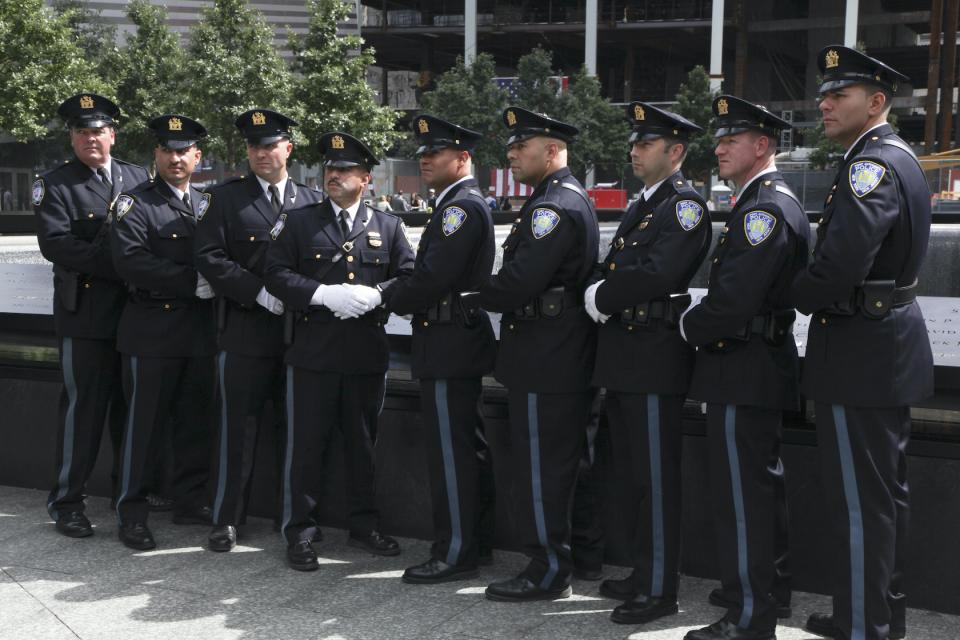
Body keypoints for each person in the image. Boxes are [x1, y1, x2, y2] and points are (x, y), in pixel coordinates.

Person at [789, 46, 932, 640]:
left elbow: (842, 263)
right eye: (825, 94)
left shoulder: (868, 165)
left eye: (838, 95)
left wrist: (794, 290)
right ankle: (871, 616)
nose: (824, 104)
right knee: (878, 499)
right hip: (880, 348)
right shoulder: (896, 158)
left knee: (859, 502)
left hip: (861, 350)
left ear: (875, 103)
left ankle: (864, 625)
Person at [679, 95, 811, 640]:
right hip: (755, 365)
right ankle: (766, 594)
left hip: (743, 365)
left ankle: (748, 617)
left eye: (731, 139)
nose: (720, 148)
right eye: (718, 139)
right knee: (757, 491)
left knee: (742, 498)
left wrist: (688, 324)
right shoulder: (767, 201)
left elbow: (732, 303)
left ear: (762, 145)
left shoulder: (763, 209)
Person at [584, 102, 712, 624]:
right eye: (634, 142)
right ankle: (643, 572)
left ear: (675, 151)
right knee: (636, 475)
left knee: (657, 481)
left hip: (655, 354)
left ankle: (660, 590)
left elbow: (658, 272)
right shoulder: (646, 204)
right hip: (627, 354)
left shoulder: (685, 206)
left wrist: (602, 295)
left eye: (646, 143)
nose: (634, 150)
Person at [263, 132, 415, 571]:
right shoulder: (299, 221)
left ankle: (364, 525)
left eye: (345, 170)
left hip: (366, 354)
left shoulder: (387, 226)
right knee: (305, 446)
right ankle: (301, 532)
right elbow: (275, 274)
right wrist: (321, 293)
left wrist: (379, 295)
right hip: (313, 353)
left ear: (366, 178)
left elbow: (409, 275)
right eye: (330, 168)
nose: (334, 175)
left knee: (363, 445)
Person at [477, 106, 599, 602]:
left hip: (547, 352)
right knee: (568, 462)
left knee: (543, 467)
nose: (511, 154)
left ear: (552, 151)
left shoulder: (554, 206)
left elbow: (522, 279)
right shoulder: (562, 199)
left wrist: (475, 293)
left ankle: (548, 570)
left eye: (520, 147)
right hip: (558, 349)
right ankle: (580, 557)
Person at [194, 109, 323, 552]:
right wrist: (256, 292)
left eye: (270, 145)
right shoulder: (225, 198)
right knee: (236, 430)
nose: (261, 153)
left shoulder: (310, 201)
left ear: (289, 148)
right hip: (246, 330)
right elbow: (210, 256)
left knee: (296, 430)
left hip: (299, 335)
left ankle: (293, 520)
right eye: (254, 147)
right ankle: (226, 517)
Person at [380, 115, 496, 584]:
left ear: (462, 158)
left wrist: (380, 298)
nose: (425, 159)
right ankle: (475, 542)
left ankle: (455, 551)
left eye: (436, 153)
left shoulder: (459, 209)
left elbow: (431, 278)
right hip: (453, 340)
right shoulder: (456, 204)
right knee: (466, 448)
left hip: (449, 341)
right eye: (423, 153)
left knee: (451, 452)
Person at [33, 93, 150, 539]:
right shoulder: (57, 183)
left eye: (98, 131)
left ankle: (130, 495)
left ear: (112, 134)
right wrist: (127, 263)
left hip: (136, 316)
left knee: (130, 411)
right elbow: (57, 245)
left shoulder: (138, 176)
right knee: (83, 412)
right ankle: (67, 502)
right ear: (73, 137)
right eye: (82, 132)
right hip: (85, 316)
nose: (91, 139)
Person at [110, 115, 216, 550]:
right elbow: (130, 261)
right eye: (167, 151)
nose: (176, 158)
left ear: (197, 156)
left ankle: (190, 501)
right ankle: (131, 512)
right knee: (144, 428)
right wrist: (192, 280)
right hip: (151, 330)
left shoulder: (208, 203)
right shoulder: (133, 204)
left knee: (195, 423)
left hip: (199, 331)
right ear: (155, 155)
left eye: (183, 151)